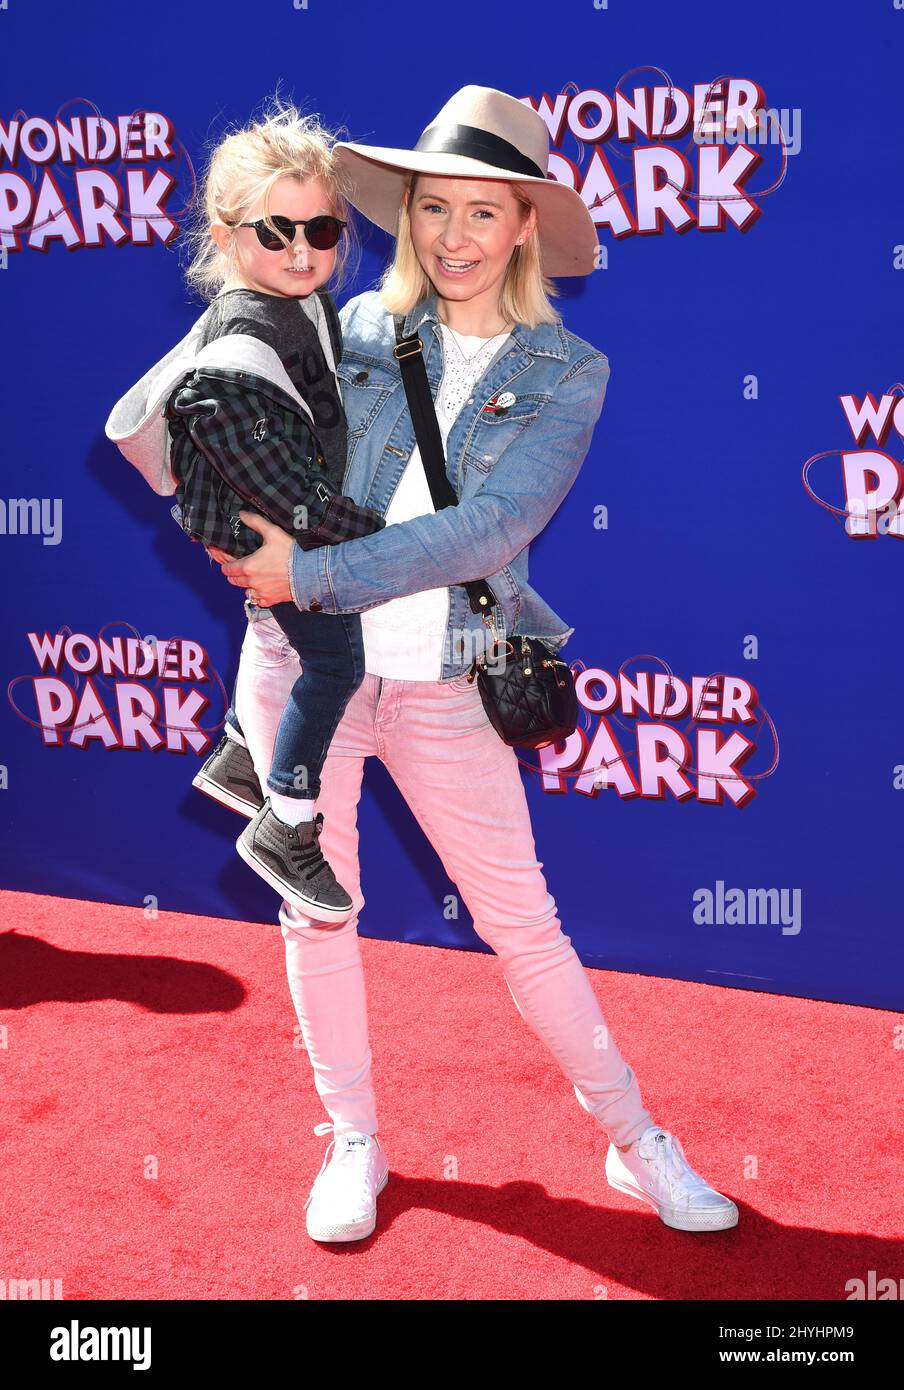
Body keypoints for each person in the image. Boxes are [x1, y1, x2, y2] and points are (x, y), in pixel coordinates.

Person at [206, 85, 740, 1243]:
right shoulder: (341, 332)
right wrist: (232, 530)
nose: (452, 235)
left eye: (482, 211)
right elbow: (209, 424)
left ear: (524, 229)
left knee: (524, 924)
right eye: (432, 208)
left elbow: (490, 529)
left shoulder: (566, 370)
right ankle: (355, 1139)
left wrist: (307, 572)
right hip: (300, 679)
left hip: (448, 682)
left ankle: (634, 1137)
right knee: (316, 913)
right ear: (405, 217)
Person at [110, 99, 387, 923]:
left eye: (323, 232)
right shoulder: (237, 351)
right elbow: (287, 499)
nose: (301, 251)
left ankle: (238, 750)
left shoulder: (305, 307)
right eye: (275, 233)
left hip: (283, 517)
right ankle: (287, 822)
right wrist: (394, 545)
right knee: (334, 664)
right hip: (274, 531)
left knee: (282, 644)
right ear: (228, 236)